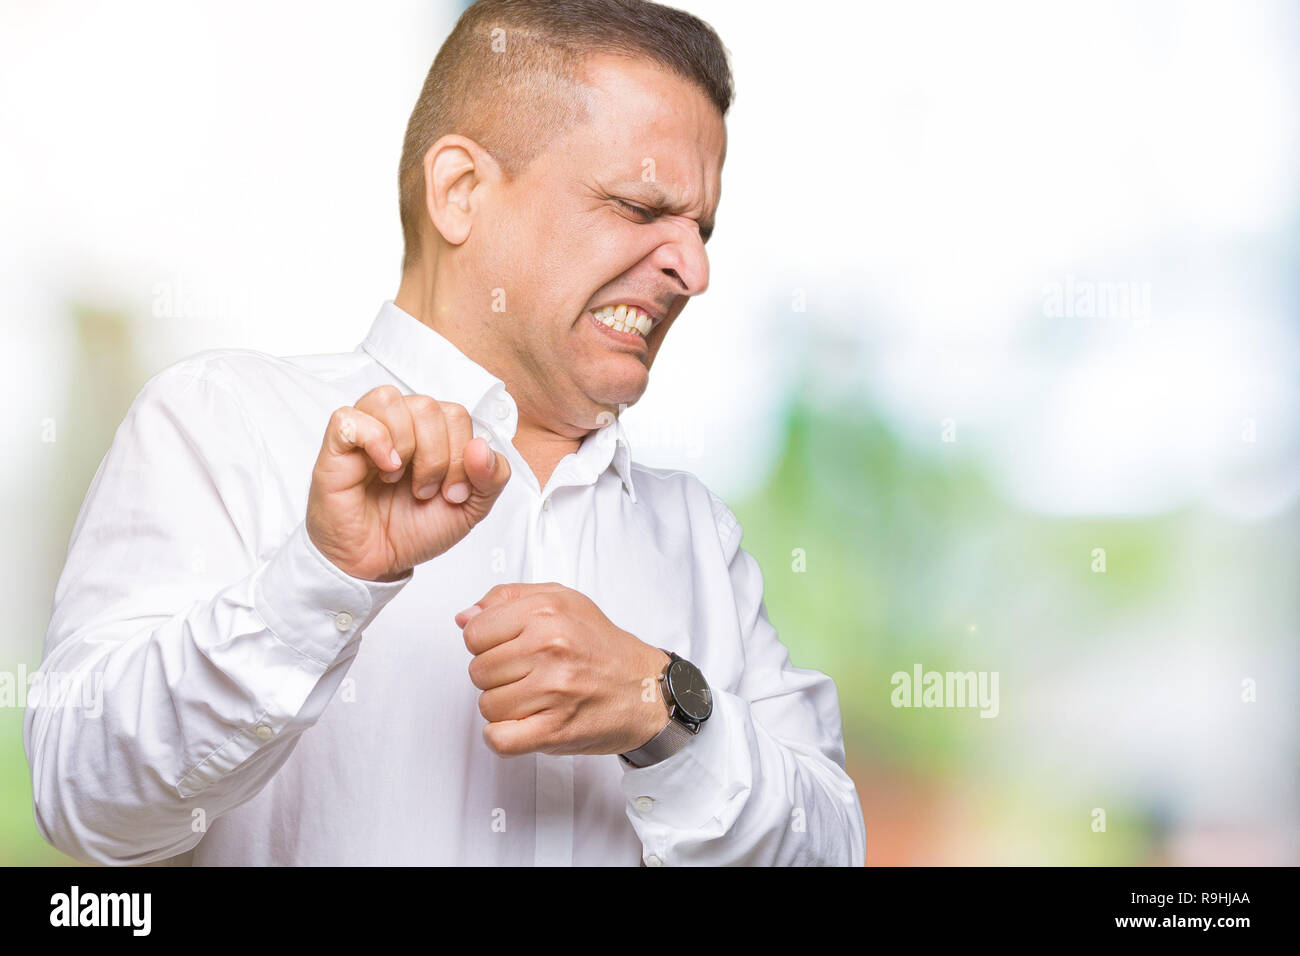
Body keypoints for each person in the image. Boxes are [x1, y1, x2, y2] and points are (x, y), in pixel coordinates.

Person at [24, 0, 867, 866]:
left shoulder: (697, 534)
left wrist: (663, 708)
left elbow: (833, 845)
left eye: (701, 228)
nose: (693, 269)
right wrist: (320, 580)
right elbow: (86, 804)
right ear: (460, 191)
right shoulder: (222, 424)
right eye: (638, 205)